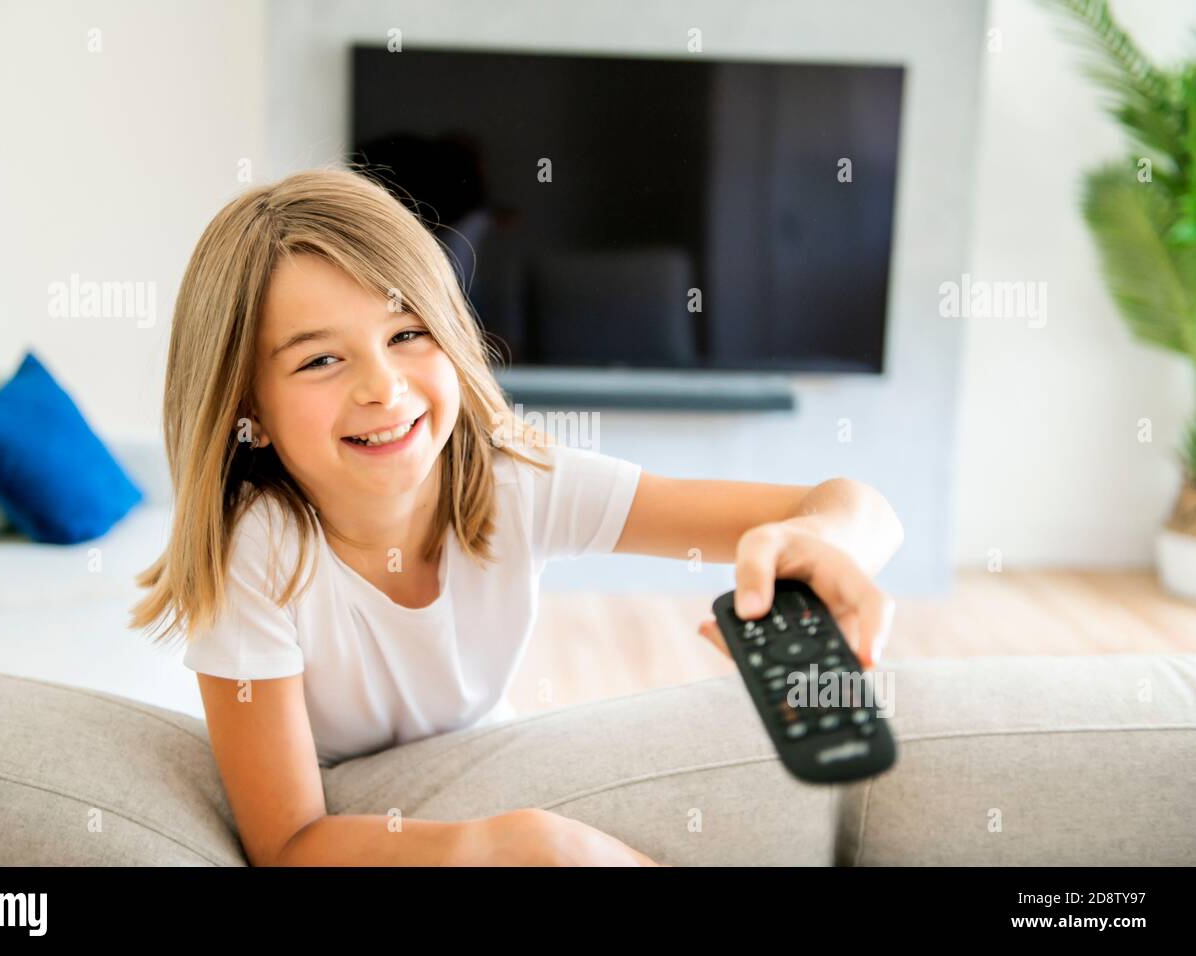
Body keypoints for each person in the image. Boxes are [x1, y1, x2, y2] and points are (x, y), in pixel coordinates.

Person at [130, 165, 904, 866]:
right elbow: (289, 841)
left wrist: (820, 538)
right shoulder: (257, 553)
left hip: (495, 767)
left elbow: (858, 506)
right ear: (246, 408)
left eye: (407, 334)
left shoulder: (513, 477)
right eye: (319, 360)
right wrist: (499, 845)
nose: (384, 388)